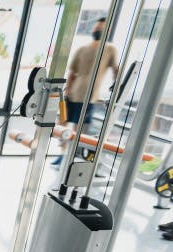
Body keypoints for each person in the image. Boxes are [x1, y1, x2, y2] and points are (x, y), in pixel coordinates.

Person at [52, 17, 119, 168]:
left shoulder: (110, 50)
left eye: (101, 28)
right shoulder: (82, 49)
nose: (97, 30)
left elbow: (116, 70)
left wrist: (118, 87)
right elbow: (72, 73)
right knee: (61, 125)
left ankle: (70, 158)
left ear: (107, 31)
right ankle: (62, 154)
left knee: (79, 131)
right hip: (71, 94)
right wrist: (66, 91)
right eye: (96, 27)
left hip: (88, 97)